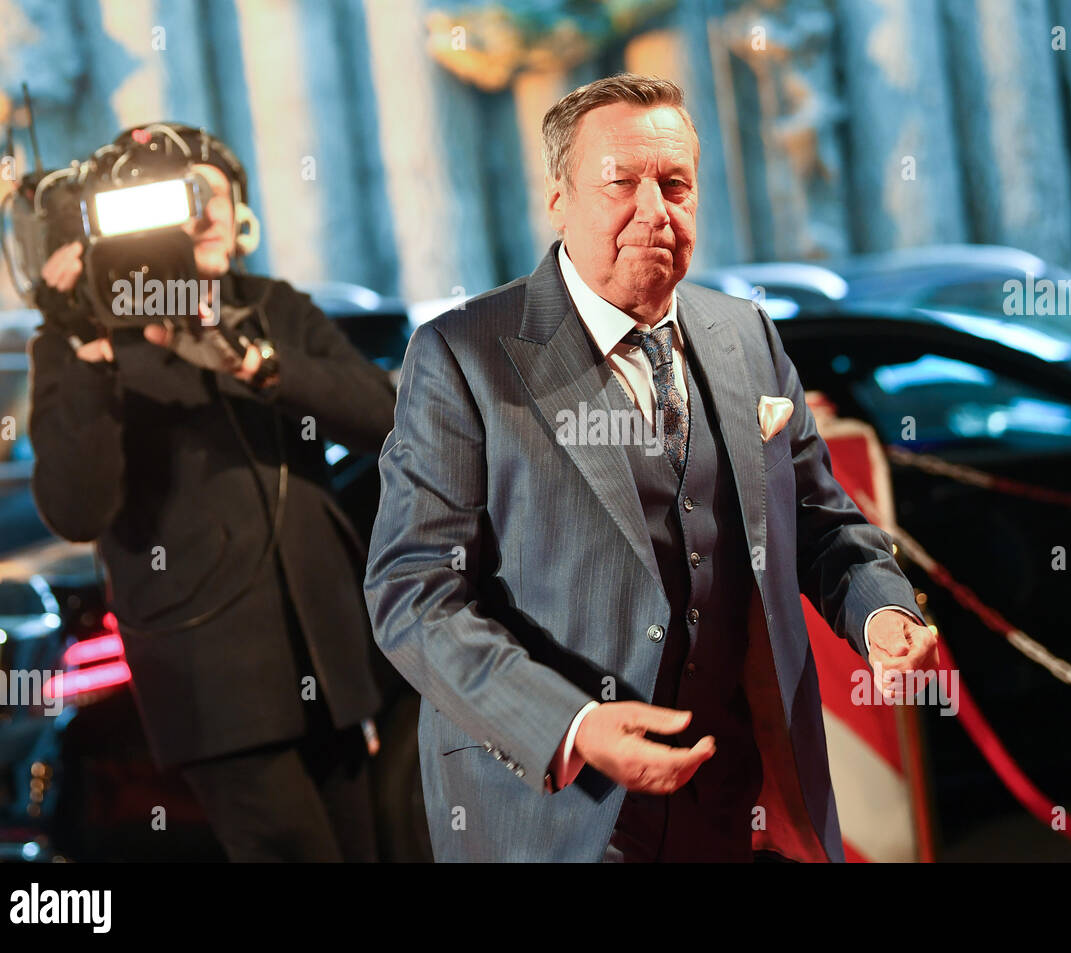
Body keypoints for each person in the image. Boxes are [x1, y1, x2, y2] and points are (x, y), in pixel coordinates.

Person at [364, 75, 940, 863]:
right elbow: (414, 594)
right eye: (620, 183)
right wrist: (571, 724)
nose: (653, 211)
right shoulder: (464, 355)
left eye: (675, 184)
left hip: (735, 800)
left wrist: (881, 612)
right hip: (558, 813)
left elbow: (819, 520)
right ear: (559, 200)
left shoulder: (745, 334)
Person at [29, 124, 398, 862]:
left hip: (331, 663)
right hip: (211, 680)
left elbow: (388, 418)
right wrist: (82, 353)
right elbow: (76, 508)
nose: (198, 212)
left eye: (212, 193)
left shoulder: (274, 308)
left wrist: (261, 365)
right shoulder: (88, 337)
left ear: (243, 213)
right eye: (175, 198)